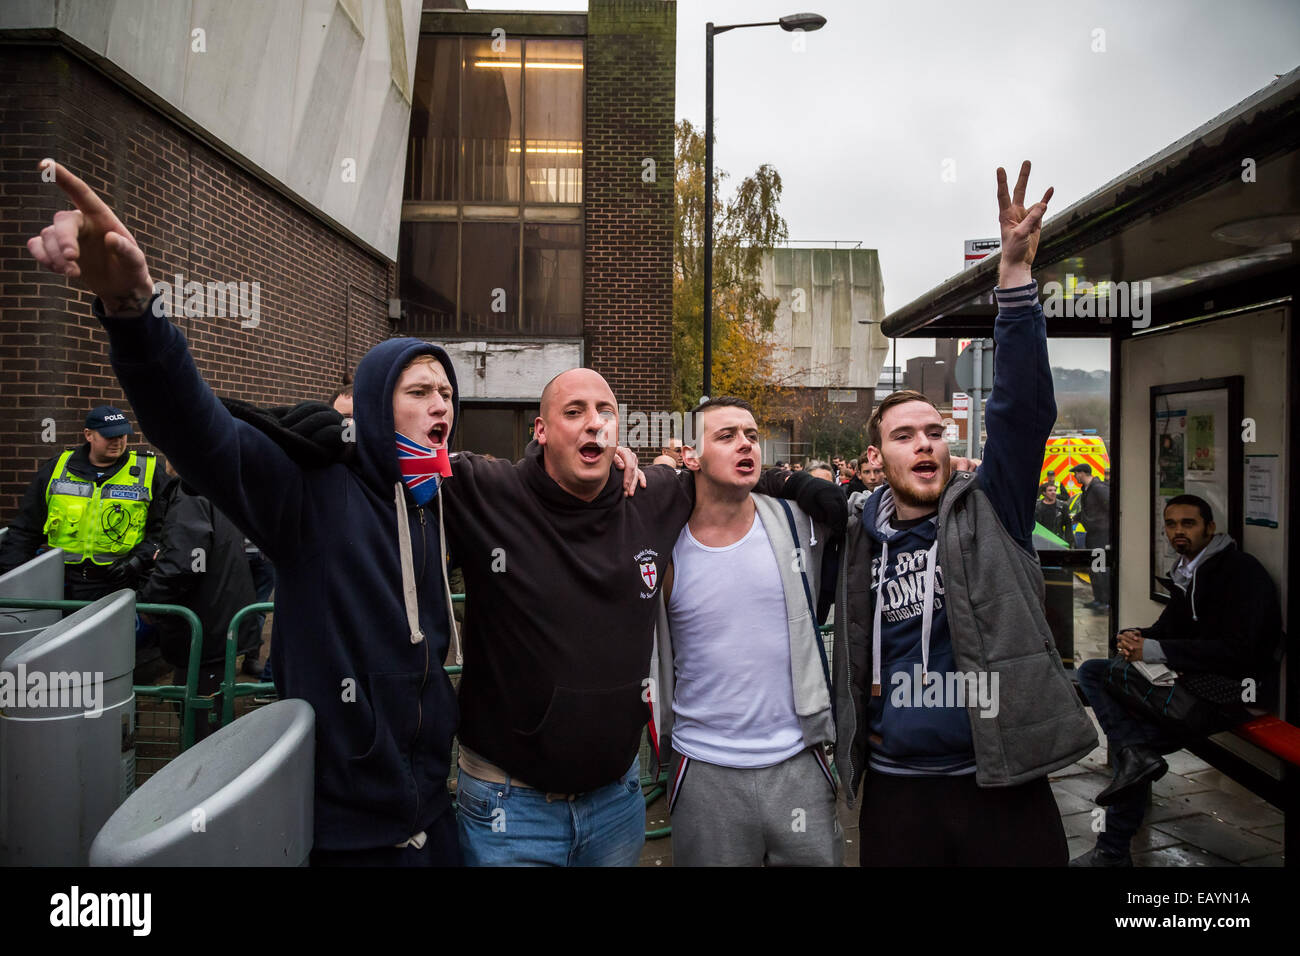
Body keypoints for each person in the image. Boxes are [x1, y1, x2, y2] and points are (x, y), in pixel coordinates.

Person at [24, 161, 477, 866]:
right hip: (343, 836)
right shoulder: (311, 490)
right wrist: (135, 314)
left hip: (432, 817)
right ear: (367, 403)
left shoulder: (431, 500)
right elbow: (199, 433)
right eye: (421, 389)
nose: (443, 403)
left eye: (448, 392)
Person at [438, 368, 843, 866]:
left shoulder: (653, 495)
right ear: (539, 431)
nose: (594, 424)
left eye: (605, 413)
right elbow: (393, 462)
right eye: (573, 412)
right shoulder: (486, 489)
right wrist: (326, 439)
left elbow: (725, 472)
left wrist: (793, 480)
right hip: (510, 806)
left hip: (615, 803)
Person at [831, 162, 1097, 866]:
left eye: (932, 431)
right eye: (902, 435)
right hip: (895, 790)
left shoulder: (993, 508)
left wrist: (1013, 279)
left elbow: (1024, 408)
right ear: (877, 456)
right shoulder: (864, 533)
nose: (922, 442)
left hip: (999, 782)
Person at [652, 397, 845, 866]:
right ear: (691, 458)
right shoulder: (661, 542)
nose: (746, 444)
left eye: (752, 436)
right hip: (704, 769)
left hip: (800, 758)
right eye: (726, 436)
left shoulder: (798, 523)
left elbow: (870, 517)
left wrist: (795, 480)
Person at [1070, 495, 1283, 867]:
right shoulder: (1188, 570)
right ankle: (1133, 763)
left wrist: (1157, 649)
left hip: (1233, 693)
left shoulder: (1240, 572)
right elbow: (1168, 629)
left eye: (1188, 524)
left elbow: (1240, 651)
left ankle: (1113, 850)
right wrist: (1135, 637)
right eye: (1171, 524)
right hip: (1191, 684)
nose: (1177, 532)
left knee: (1134, 749)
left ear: (1210, 528)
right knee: (1092, 673)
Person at [136, 460, 260, 741]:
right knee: (207, 706)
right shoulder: (213, 488)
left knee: (200, 716)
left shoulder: (190, 495)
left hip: (206, 625)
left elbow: (183, 564)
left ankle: (207, 779)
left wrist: (150, 602)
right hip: (220, 617)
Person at [0, 404, 168, 600]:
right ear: (89, 435)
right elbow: (26, 529)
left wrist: (137, 561)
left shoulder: (148, 470)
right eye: (109, 436)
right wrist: (10, 578)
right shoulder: (56, 469)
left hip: (121, 583)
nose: (117, 442)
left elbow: (164, 527)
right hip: (61, 583)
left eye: (122, 435)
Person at [1072, 462, 1110, 610]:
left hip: (1101, 535)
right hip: (1093, 535)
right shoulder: (1087, 490)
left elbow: (1110, 507)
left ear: (1083, 473)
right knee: (1094, 568)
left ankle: (1105, 601)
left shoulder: (1099, 488)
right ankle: (1098, 599)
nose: (1075, 476)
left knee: (1101, 568)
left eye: (1076, 473)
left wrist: (1105, 526)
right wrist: (1078, 516)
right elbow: (1091, 509)